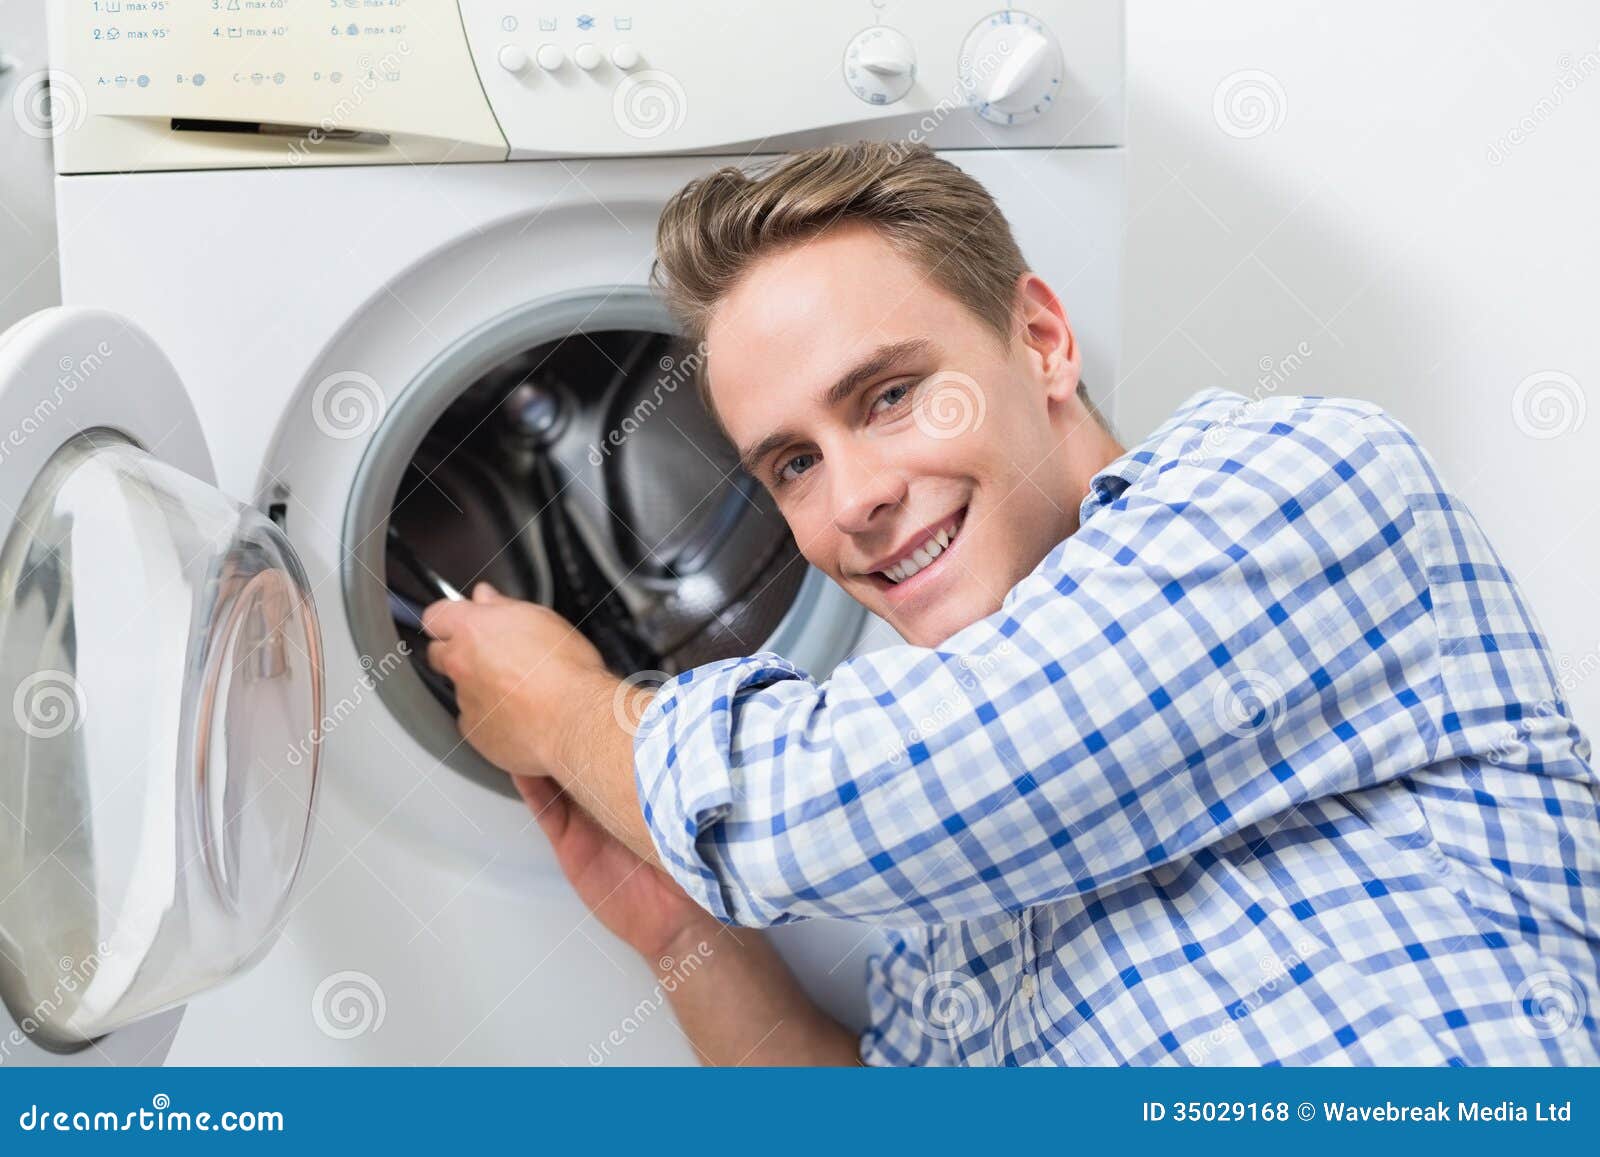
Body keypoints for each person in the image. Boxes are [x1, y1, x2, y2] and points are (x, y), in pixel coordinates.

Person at [422, 141, 1600, 1066]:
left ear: (1039, 340)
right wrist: (684, 933)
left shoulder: (1291, 489)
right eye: (791, 464)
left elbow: (807, 809)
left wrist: (564, 705)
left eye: (888, 396)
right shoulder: (939, 900)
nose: (856, 500)